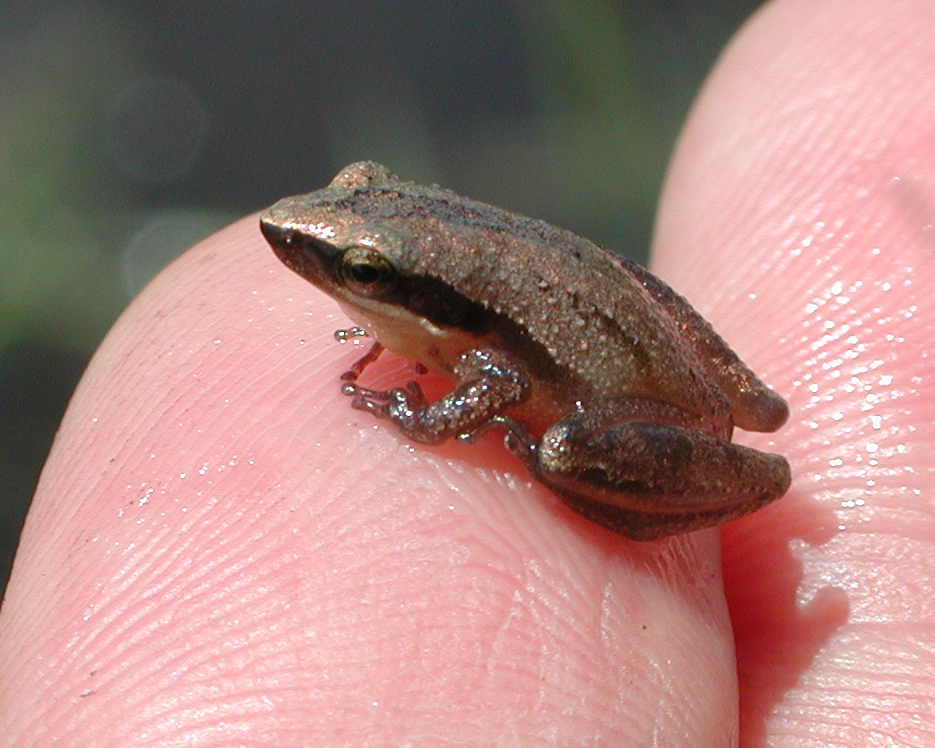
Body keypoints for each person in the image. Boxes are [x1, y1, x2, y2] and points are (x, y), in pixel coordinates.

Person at [2, 0, 932, 743]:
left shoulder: (469, 338)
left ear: (410, 290)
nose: (304, 239)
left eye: (361, 270)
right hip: (630, 331)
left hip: (615, 404)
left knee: (562, 449)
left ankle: (586, 463)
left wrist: (419, 415)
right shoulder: (430, 280)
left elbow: (487, 388)